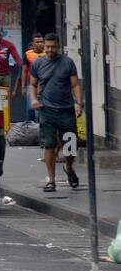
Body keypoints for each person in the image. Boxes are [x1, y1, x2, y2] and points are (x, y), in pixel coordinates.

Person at [27, 33, 85, 192]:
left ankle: (69, 167)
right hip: (47, 110)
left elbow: (75, 85)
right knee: (49, 145)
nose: (50, 50)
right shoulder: (38, 64)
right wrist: (33, 99)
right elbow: (32, 84)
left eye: (53, 47)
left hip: (66, 109)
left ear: (58, 47)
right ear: (43, 47)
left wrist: (79, 103)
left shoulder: (67, 63)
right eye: (47, 47)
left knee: (71, 144)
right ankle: (51, 180)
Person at [21, 33, 45, 121]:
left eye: (42, 42)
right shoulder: (28, 54)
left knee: (40, 109)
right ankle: (31, 125)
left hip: (43, 85)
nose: (40, 44)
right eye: (37, 42)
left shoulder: (47, 54)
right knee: (30, 108)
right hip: (30, 84)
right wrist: (23, 87)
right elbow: (24, 71)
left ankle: (40, 127)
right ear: (33, 43)